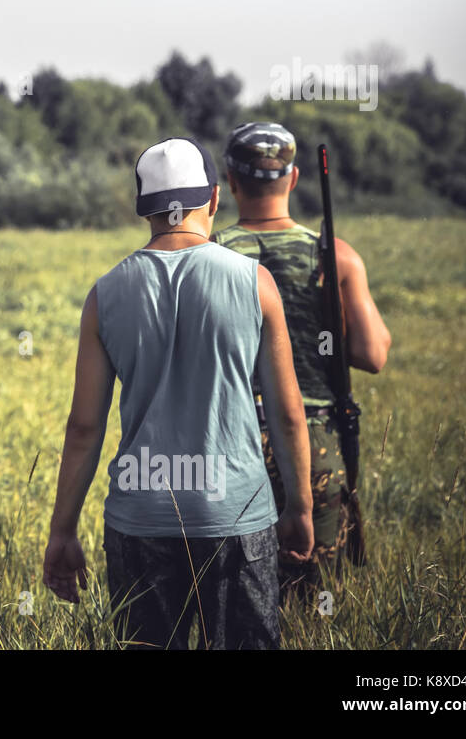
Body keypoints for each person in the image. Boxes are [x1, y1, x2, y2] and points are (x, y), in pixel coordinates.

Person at [42, 136, 314, 649]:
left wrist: (63, 531)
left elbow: (84, 427)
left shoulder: (105, 294)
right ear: (214, 198)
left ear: (143, 209)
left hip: (140, 520)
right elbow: (288, 413)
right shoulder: (255, 283)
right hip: (235, 515)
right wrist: (300, 506)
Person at [214, 122, 391, 599]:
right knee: (316, 602)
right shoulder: (334, 256)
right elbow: (372, 355)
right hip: (315, 443)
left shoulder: (210, 255)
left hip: (229, 439)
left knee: (236, 600)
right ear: (292, 180)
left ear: (231, 180)